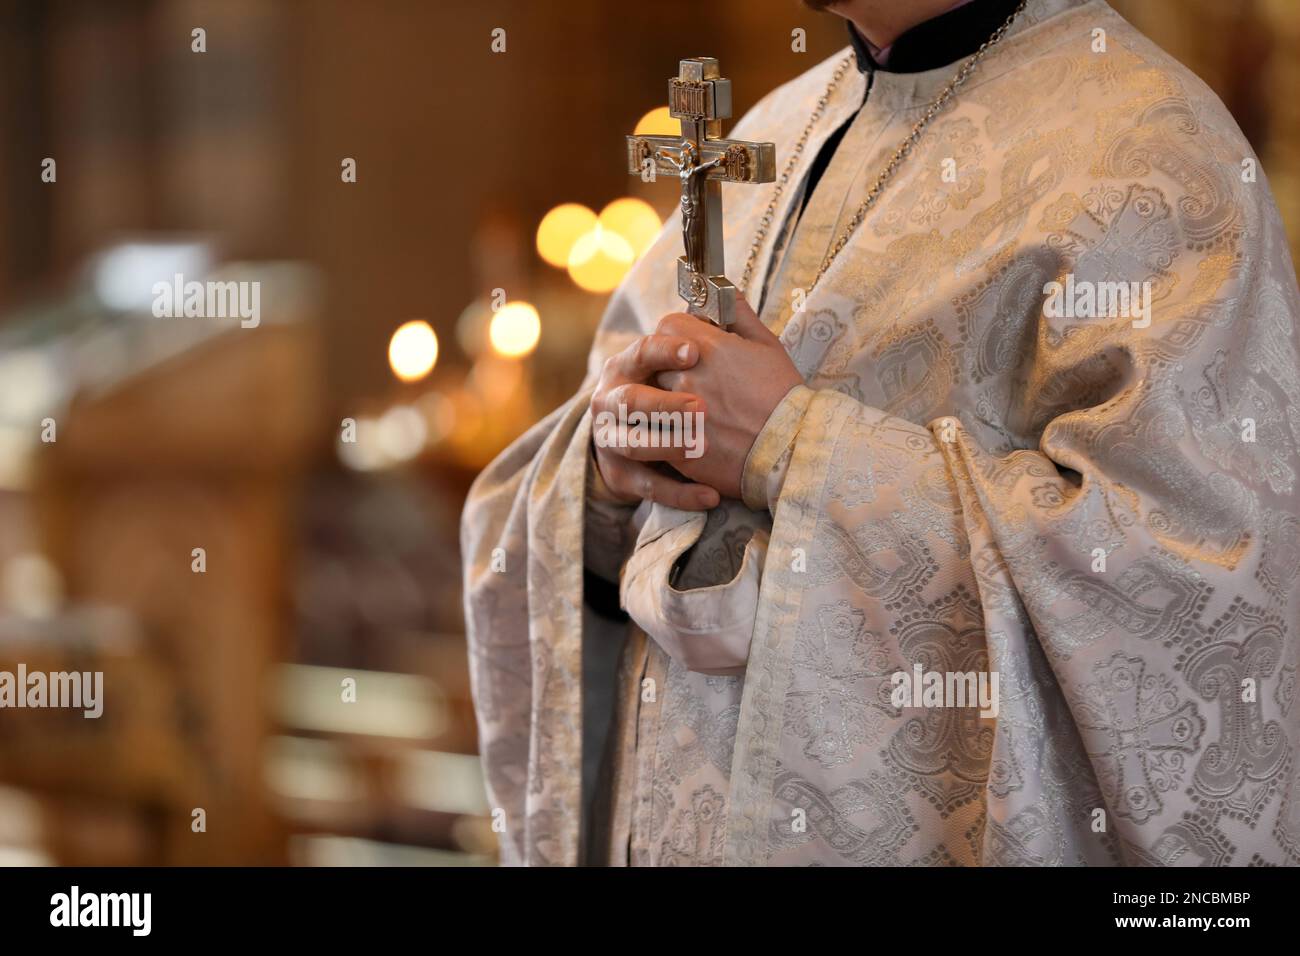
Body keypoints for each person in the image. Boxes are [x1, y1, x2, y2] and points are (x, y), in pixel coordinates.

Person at [462, 0, 1300, 865]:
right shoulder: (774, 130)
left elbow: (1201, 597)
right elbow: (584, 474)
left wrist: (794, 446)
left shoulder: (1152, 157)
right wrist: (608, 478)